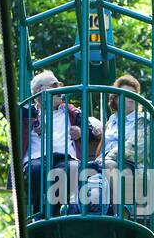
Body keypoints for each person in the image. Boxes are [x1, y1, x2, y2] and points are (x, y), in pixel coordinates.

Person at [22, 71, 98, 216]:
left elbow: (90, 131)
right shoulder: (29, 113)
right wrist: (31, 124)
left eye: (60, 85)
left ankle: (50, 215)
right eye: (55, 85)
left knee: (69, 169)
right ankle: (41, 213)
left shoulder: (70, 112)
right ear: (39, 91)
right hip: (37, 158)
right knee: (36, 171)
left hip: (65, 157)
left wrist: (81, 132)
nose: (60, 89)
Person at [91, 74, 151, 216]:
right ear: (116, 99)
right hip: (106, 162)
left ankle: (120, 213)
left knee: (109, 166)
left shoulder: (143, 120)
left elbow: (136, 148)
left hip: (131, 164)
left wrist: (107, 157)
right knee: (78, 170)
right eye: (125, 93)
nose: (130, 97)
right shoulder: (112, 120)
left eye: (134, 94)